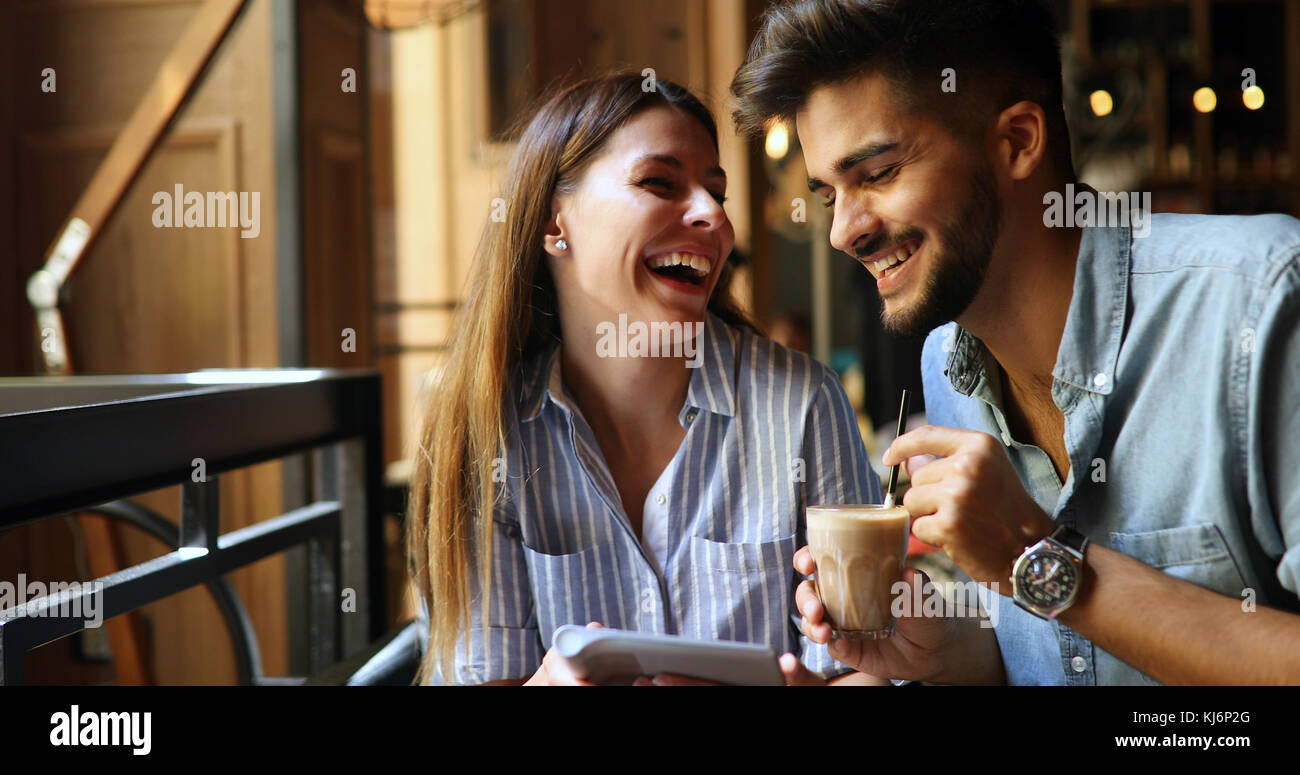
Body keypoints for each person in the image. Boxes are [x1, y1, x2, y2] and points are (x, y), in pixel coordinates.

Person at [730, 0, 1300, 684]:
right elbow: (1059, 657)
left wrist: (1037, 557)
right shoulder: (947, 363)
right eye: (828, 195)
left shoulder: (1262, 305)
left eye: (877, 174)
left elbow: (1037, 571)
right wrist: (944, 654)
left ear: (1018, 142)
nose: (842, 232)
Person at [406, 70, 883, 685]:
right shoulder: (490, 434)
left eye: (718, 192)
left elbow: (867, 665)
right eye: (659, 182)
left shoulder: (802, 404)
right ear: (555, 223)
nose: (713, 215)